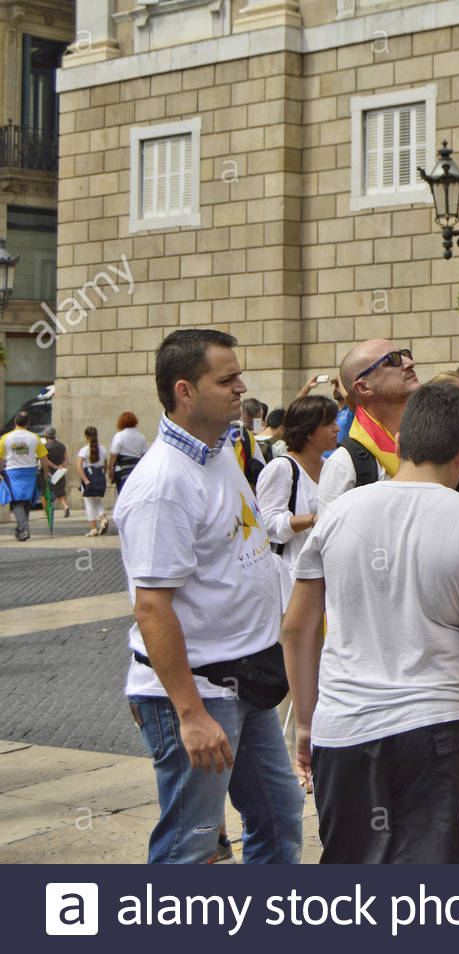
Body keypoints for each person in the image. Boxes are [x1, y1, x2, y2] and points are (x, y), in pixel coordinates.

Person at [282, 382, 459, 863]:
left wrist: (305, 723)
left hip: (343, 727)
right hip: (438, 726)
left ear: (400, 441)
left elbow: (296, 629)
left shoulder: (338, 513)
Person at [115, 328, 303, 864]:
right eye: (227, 379)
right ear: (185, 391)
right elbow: (151, 608)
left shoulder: (220, 451)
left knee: (279, 814)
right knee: (191, 843)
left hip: (247, 681)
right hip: (199, 693)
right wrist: (191, 714)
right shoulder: (162, 485)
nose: (242, 387)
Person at [318, 277, 459, 511]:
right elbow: (329, 542)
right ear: (363, 387)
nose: (409, 363)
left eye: (405, 354)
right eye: (393, 361)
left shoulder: (440, 417)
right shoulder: (346, 465)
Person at [256, 395, 339, 611]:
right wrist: (313, 520)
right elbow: (267, 523)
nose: (337, 429)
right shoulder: (281, 468)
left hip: (326, 576)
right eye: (328, 423)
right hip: (291, 579)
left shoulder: (331, 466)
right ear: (308, 431)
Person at [0, 411, 47, 541]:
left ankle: (24, 528)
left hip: (12, 472)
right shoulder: (34, 437)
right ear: (28, 423)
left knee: (16, 501)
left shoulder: (6, 438)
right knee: (26, 500)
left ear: (15, 422)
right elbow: (43, 457)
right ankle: (20, 529)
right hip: (30, 471)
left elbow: (1, 458)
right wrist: (47, 472)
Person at [77, 426, 110, 537]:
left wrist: (86, 480)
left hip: (89, 478)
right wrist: (102, 476)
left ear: (86, 437)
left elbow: (79, 467)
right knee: (97, 501)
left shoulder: (84, 450)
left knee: (89, 503)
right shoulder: (103, 449)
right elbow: (106, 465)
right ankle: (103, 518)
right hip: (100, 477)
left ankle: (93, 529)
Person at [109, 412, 149, 496]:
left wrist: (110, 469)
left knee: (123, 493)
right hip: (136, 468)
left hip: (122, 468)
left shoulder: (119, 436)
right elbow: (143, 455)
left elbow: (114, 454)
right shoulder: (141, 437)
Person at [42, 426, 70, 517]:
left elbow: (45, 460)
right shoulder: (61, 445)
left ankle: (46, 512)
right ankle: (65, 506)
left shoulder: (45, 446)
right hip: (60, 472)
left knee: (45, 491)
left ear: (46, 436)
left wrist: (54, 466)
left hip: (49, 471)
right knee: (60, 492)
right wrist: (61, 466)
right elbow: (67, 459)